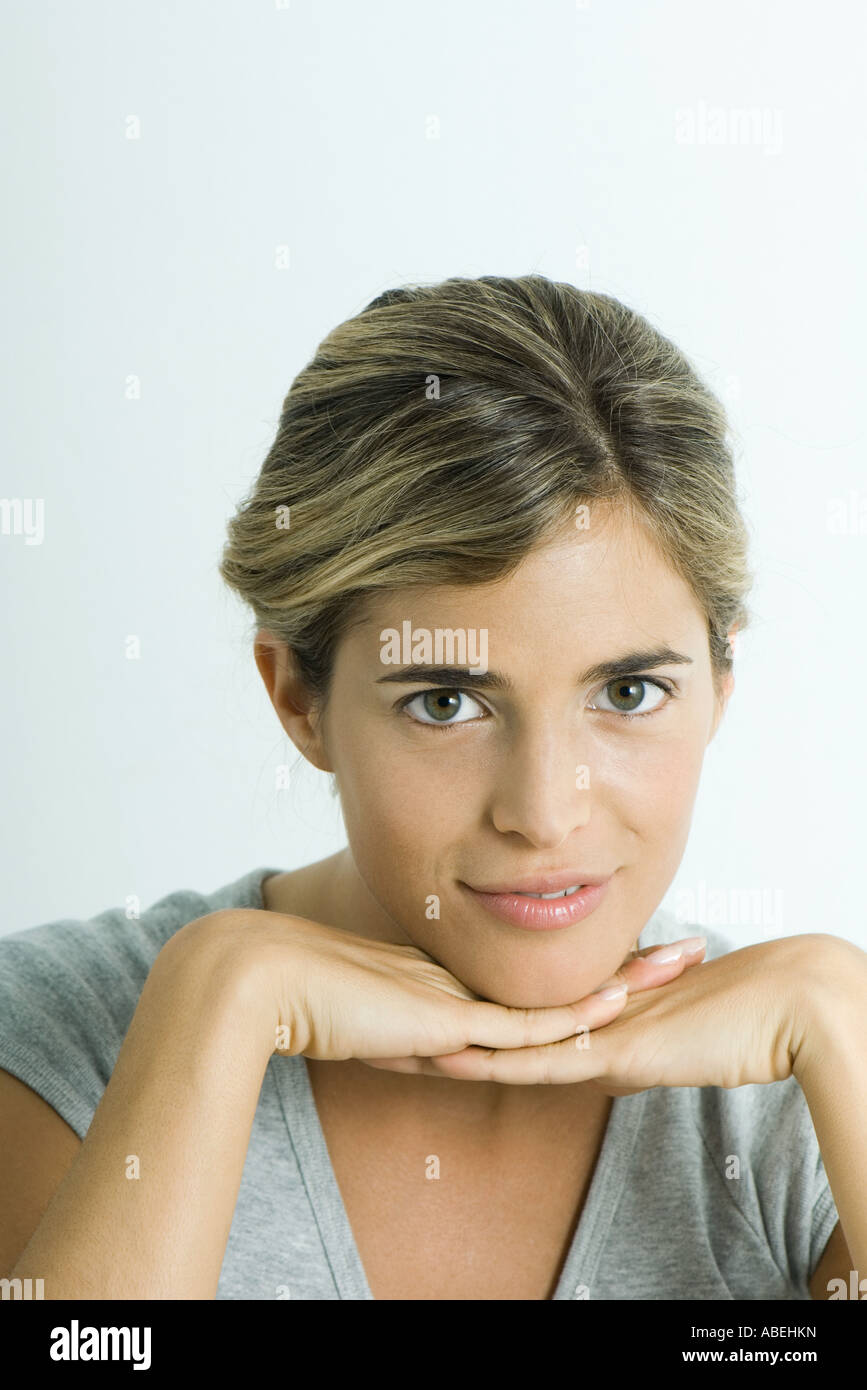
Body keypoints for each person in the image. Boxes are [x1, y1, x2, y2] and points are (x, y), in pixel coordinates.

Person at [0, 275, 855, 1300]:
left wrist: (842, 1019)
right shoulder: (64, 1043)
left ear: (719, 687)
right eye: (447, 702)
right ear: (300, 699)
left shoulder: (799, 1102)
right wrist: (218, 999)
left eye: (628, 691)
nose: (543, 813)